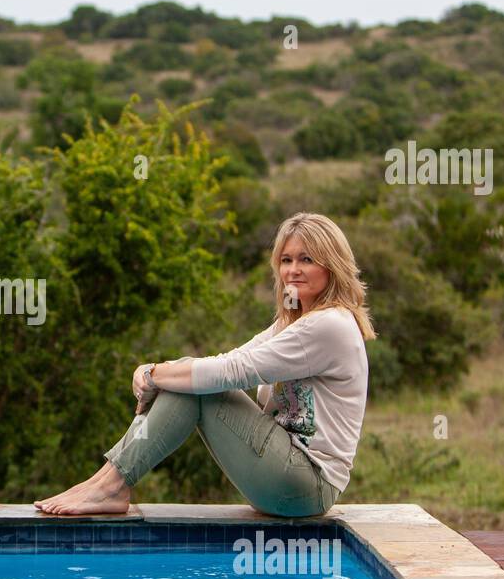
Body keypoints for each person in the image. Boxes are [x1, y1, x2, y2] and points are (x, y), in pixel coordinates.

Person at [34, 212, 375, 518]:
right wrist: (160, 371)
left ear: (331, 265)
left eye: (307, 259)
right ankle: (106, 480)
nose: (293, 269)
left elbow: (230, 373)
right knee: (189, 378)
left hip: (306, 483)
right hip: (284, 478)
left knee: (196, 387)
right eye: (286, 259)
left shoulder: (329, 325)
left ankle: (111, 484)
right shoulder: (295, 323)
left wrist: (154, 373)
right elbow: (229, 361)